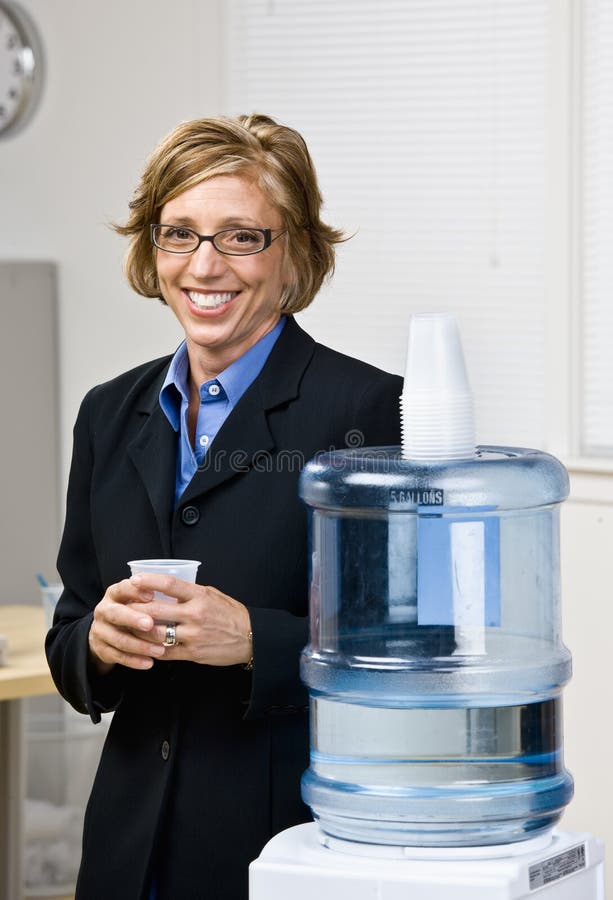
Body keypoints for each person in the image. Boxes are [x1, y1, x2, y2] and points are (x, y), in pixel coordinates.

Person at [45, 113, 403, 900]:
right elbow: (70, 636)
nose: (205, 265)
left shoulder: (368, 410)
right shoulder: (110, 412)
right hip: (126, 851)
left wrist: (254, 640)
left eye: (241, 236)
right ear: (153, 250)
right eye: (180, 234)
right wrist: (97, 642)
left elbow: (410, 650)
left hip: (284, 846)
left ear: (293, 254)